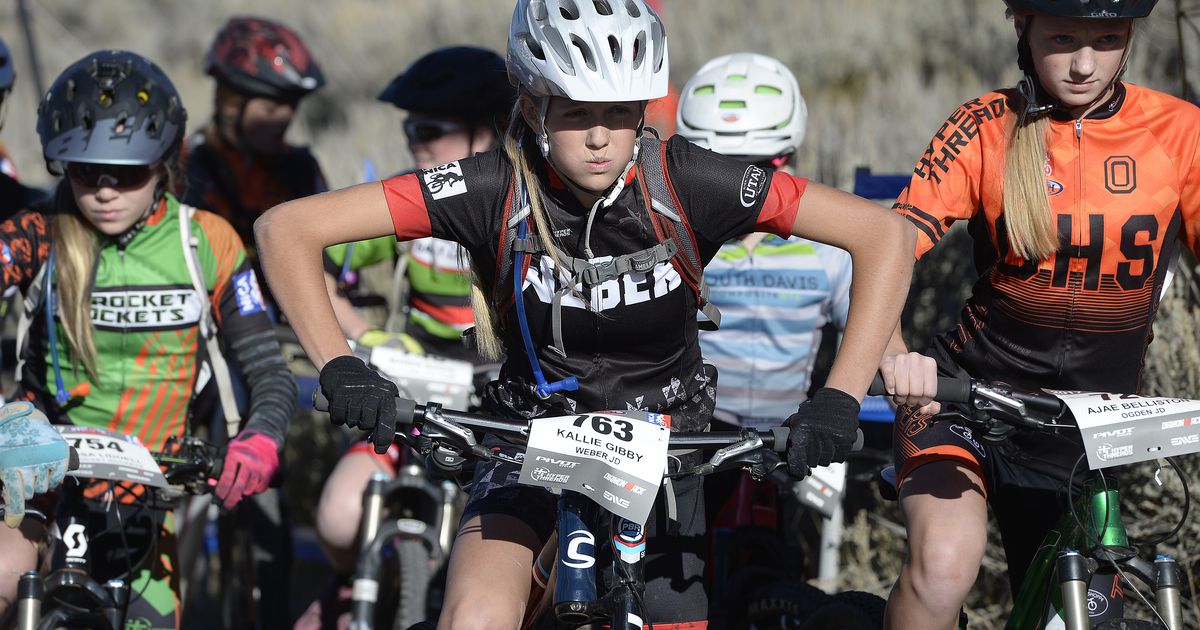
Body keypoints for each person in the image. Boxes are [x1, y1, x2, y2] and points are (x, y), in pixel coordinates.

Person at [256, 1, 914, 627]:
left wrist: (840, 398)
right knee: (474, 618)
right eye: (575, 113)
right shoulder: (492, 187)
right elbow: (287, 230)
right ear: (533, 105)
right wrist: (341, 367)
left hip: (668, 453)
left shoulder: (686, 181)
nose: (601, 137)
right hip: (528, 442)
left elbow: (882, 236)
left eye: (622, 111)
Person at [878, 1, 1200, 628]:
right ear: (1021, 25)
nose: (1084, 64)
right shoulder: (983, 128)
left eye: (1107, 39)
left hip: (1087, 431)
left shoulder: (1180, 132)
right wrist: (894, 356)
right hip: (965, 401)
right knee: (944, 568)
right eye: (1062, 38)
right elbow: (885, 246)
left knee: (1081, 608)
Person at [0, 50, 296, 626]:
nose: (105, 190)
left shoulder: (207, 242)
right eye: (86, 170)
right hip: (39, 485)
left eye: (128, 172)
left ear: (164, 165)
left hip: (151, 495)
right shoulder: (38, 232)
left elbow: (267, 367)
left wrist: (260, 437)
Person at [295, 46, 515, 629]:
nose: (414, 140)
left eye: (430, 129)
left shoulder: (523, 205)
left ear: (486, 134)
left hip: (501, 408)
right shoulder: (412, 198)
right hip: (414, 391)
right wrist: (362, 330)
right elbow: (311, 252)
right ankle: (356, 587)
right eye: (409, 127)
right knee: (340, 516)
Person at [679, 52, 851, 431]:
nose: (736, 186)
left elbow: (866, 341)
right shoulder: (675, 246)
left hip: (792, 435)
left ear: (788, 157)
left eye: (756, 168)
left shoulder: (830, 251)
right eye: (716, 167)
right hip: (698, 433)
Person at [184, 15, 328, 284]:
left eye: (292, 106)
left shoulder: (301, 169)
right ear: (230, 105)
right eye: (271, 108)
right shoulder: (186, 167)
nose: (284, 118)